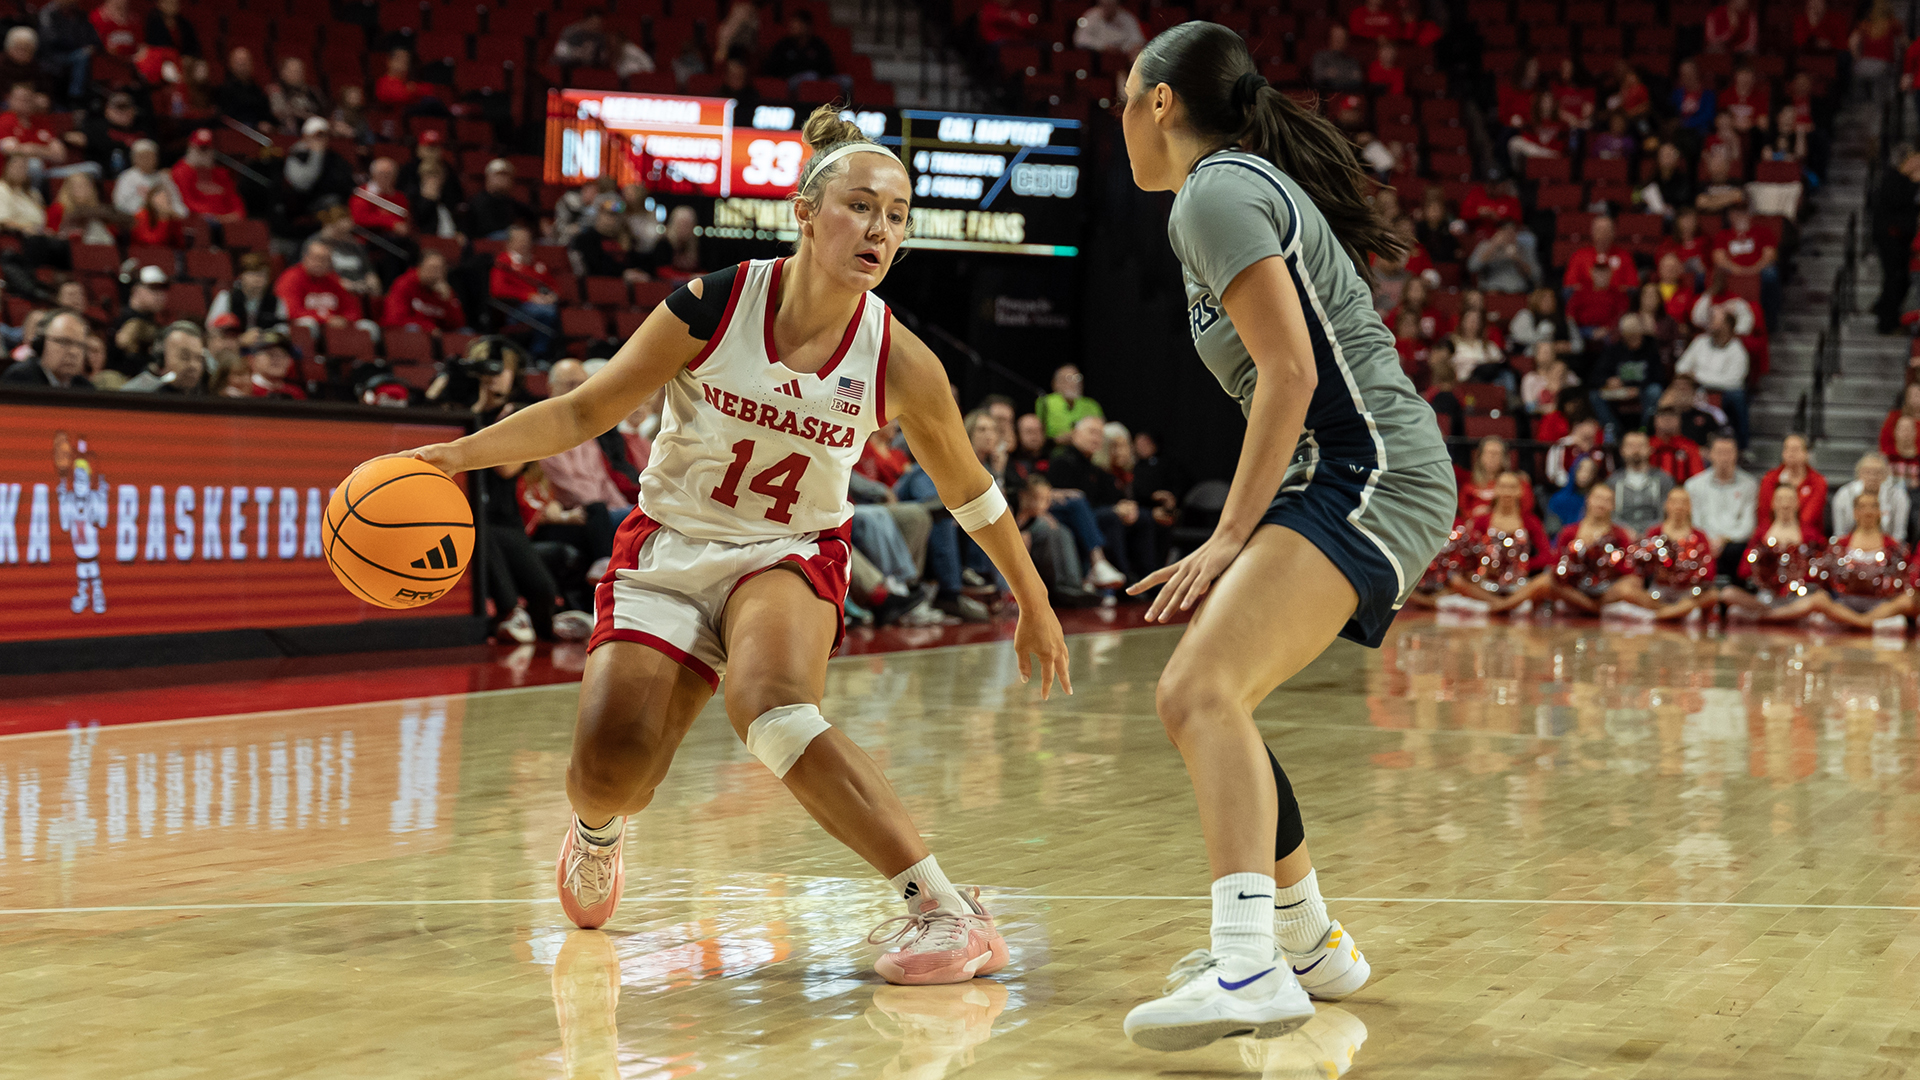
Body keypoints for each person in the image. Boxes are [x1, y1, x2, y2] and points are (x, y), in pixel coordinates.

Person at [386, 105, 1070, 983]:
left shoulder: (900, 358)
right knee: (606, 772)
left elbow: (970, 491)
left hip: (788, 551)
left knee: (773, 705)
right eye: (861, 207)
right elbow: (587, 410)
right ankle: (599, 831)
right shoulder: (716, 302)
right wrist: (457, 455)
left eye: (896, 215)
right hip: (670, 543)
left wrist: (1034, 599)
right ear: (807, 212)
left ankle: (942, 906)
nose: (880, 230)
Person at [1114, 23, 1455, 1049]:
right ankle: (1306, 942)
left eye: (1125, 96)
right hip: (1351, 468)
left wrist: (1228, 535)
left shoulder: (1216, 191)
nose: (1119, 117)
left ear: (1161, 101)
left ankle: (1249, 967)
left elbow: (1294, 374)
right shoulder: (1227, 189)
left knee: (1197, 689)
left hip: (1369, 470)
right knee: (1217, 697)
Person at [1446, 471, 1550, 611]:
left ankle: (1496, 607)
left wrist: (1523, 566)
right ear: (1495, 489)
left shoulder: (1531, 521)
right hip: (1486, 584)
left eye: (1512, 487)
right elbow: (1466, 553)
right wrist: (1480, 565)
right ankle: (1506, 605)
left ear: (1520, 491)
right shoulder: (1481, 521)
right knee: (1456, 580)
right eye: (1503, 486)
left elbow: (1547, 555)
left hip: (1518, 585)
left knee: (1545, 582)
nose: (1507, 492)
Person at [1721, 483, 1823, 617]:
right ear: (1773, 503)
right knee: (1727, 593)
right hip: (1764, 598)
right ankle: (1780, 615)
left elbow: (1820, 570)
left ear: (1797, 503)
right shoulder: (1761, 533)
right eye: (1780, 500)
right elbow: (1744, 570)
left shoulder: (1810, 534)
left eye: (1790, 500)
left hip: (1798, 598)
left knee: (1820, 600)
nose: (1785, 505)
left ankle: (1769, 616)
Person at [1632, 487, 1716, 618]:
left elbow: (1709, 571)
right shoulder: (1654, 532)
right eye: (1674, 502)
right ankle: (1674, 612)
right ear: (1666, 505)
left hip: (1688, 594)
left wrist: (1690, 576)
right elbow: (1640, 566)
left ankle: (1662, 614)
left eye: (1683, 502)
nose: (1679, 506)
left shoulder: (1699, 535)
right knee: (1628, 589)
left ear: (1690, 507)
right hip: (1658, 593)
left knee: (1713, 595)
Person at [1684, 433, 1758, 578]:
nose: (1724, 458)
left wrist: (1725, 539)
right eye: (1719, 453)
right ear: (1709, 454)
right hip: (1703, 541)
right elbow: (1694, 521)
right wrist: (1709, 540)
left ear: (1736, 454)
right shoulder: (1693, 485)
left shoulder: (1749, 485)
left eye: (1729, 452)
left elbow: (1748, 525)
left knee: (1743, 550)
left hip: (1735, 543)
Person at [1675, 310, 1750, 447]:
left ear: (1727, 326)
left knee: (1738, 396)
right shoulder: (1700, 342)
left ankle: (1741, 446)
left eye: (1715, 320)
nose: (1710, 323)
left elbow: (1734, 381)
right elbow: (1681, 367)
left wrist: (1698, 376)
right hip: (1695, 389)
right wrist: (1701, 379)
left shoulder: (1737, 350)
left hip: (1723, 393)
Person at [491, 222, 562, 360]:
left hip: (542, 305)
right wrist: (528, 296)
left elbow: (553, 287)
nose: (524, 243)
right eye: (520, 240)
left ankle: (548, 355)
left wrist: (552, 296)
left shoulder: (537, 263)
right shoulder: (502, 262)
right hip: (514, 308)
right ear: (509, 243)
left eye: (526, 240)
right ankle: (538, 355)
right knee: (547, 312)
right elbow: (498, 289)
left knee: (555, 313)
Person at [277, 238, 374, 334]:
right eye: (316, 258)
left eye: (325, 260)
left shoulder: (334, 280)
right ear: (305, 257)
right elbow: (291, 312)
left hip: (334, 330)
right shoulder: (291, 278)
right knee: (307, 323)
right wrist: (326, 319)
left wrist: (343, 319)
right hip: (306, 330)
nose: (320, 263)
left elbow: (354, 311)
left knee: (368, 326)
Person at [1875, 149, 1920, 332]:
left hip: (1901, 240)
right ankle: (1886, 322)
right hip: (1891, 239)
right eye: (1916, 160)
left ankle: (1883, 309)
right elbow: (1901, 204)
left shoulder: (1906, 181)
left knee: (1900, 279)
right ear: (1907, 160)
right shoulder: (1893, 179)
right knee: (1894, 278)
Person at [1756, 432, 1828, 536]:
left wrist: (1791, 533)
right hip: (1773, 533)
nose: (1791, 453)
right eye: (1787, 449)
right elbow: (1765, 515)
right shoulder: (1769, 479)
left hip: (1807, 536)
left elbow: (1809, 518)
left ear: (1807, 453)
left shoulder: (1818, 482)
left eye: (1795, 449)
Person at [1831, 451, 1912, 541]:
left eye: (1878, 472)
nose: (1872, 477)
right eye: (1867, 472)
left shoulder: (1898, 496)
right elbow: (1839, 533)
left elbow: (1899, 534)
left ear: (1886, 475)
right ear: (1859, 474)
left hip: (1887, 547)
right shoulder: (1844, 495)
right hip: (1850, 545)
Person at [0, 308, 90, 388]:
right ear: (42, 344)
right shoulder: (19, 379)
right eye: (64, 342)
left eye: (80, 345)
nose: (74, 352)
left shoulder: (85, 387)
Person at [381, 249, 466, 332]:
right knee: (412, 330)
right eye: (432, 268)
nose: (436, 273)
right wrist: (429, 328)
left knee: (466, 332)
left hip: (437, 337)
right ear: (420, 267)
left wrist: (448, 301)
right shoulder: (404, 284)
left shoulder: (444, 291)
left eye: (440, 269)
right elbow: (395, 319)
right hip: (407, 336)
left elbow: (458, 325)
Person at [171, 129, 244, 223]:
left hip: (228, 223)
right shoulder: (180, 172)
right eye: (200, 148)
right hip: (199, 224)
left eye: (206, 148)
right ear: (191, 147)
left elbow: (235, 201)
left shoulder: (221, 173)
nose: (203, 152)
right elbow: (186, 202)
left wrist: (235, 215)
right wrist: (215, 217)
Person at [207, 252, 291, 333]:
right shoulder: (226, 297)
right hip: (232, 344)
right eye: (253, 274)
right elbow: (212, 328)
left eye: (262, 275)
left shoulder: (277, 302)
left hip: (265, 345)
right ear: (241, 275)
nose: (257, 279)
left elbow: (283, 332)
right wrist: (239, 340)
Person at [1611, 429, 1675, 534]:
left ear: (1649, 449)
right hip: (1621, 538)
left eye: (1640, 446)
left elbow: (1668, 514)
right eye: (1631, 446)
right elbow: (1610, 515)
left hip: (1657, 538)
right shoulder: (1612, 482)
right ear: (1622, 450)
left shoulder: (1664, 480)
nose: (1636, 450)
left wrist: (1652, 532)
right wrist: (1623, 531)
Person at [121, 319, 207, 393]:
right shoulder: (135, 396)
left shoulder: (206, 395)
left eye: (198, 358)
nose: (193, 365)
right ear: (161, 359)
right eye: (185, 357)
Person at [111, 138, 185, 217]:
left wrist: (174, 213)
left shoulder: (163, 178)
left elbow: (178, 205)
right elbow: (120, 205)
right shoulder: (127, 177)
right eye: (142, 157)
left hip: (163, 220)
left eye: (150, 156)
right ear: (134, 159)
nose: (146, 160)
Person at [1466, 220, 1539, 294]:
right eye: (1506, 231)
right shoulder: (1485, 246)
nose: (1510, 235)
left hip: (1518, 291)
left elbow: (1536, 275)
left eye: (1513, 231)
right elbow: (1472, 267)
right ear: (1498, 232)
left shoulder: (1523, 249)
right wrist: (1493, 247)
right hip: (1492, 291)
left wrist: (1518, 259)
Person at [1035, 362, 1103, 439]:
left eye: (1077, 378)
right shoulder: (1045, 402)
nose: (1074, 383)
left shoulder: (1091, 405)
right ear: (1055, 383)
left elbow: (1101, 430)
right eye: (1069, 378)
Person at [470, 158, 532, 240]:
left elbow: (530, 216)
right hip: (487, 242)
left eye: (506, 176)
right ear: (488, 177)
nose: (502, 179)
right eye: (498, 175)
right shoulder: (479, 201)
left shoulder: (512, 202)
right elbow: (486, 228)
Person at [215, 47, 273, 129]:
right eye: (238, 61)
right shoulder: (224, 90)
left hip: (259, 135)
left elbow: (265, 114)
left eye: (245, 61)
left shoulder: (257, 90)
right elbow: (227, 119)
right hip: (237, 135)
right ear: (230, 64)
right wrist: (255, 125)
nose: (242, 64)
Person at [269, 57, 329, 133]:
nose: (296, 74)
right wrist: (308, 116)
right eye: (291, 71)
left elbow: (325, 111)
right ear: (282, 72)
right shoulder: (276, 89)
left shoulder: (313, 92)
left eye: (299, 71)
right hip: (292, 129)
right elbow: (279, 112)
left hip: (317, 128)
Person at [238, 329, 305, 399]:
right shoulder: (243, 391)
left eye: (283, 355)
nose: (277, 359)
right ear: (252, 359)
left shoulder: (296, 394)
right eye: (270, 354)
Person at [1073, 0, 1145, 56]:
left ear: (1117, 4)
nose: (1107, 9)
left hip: (1121, 58)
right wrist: (1103, 46)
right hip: (1097, 59)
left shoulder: (1128, 18)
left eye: (1110, 5)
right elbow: (1080, 39)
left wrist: (1123, 48)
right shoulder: (1090, 16)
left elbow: (1138, 41)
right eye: (1104, 5)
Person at [1309, 25, 1363, 92]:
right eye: (1336, 38)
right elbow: (1318, 77)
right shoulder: (1320, 57)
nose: (1338, 41)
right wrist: (1346, 76)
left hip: (1347, 96)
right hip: (1325, 96)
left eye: (1342, 38)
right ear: (1330, 39)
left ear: (1346, 41)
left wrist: (1333, 74)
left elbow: (1358, 78)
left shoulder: (1352, 61)